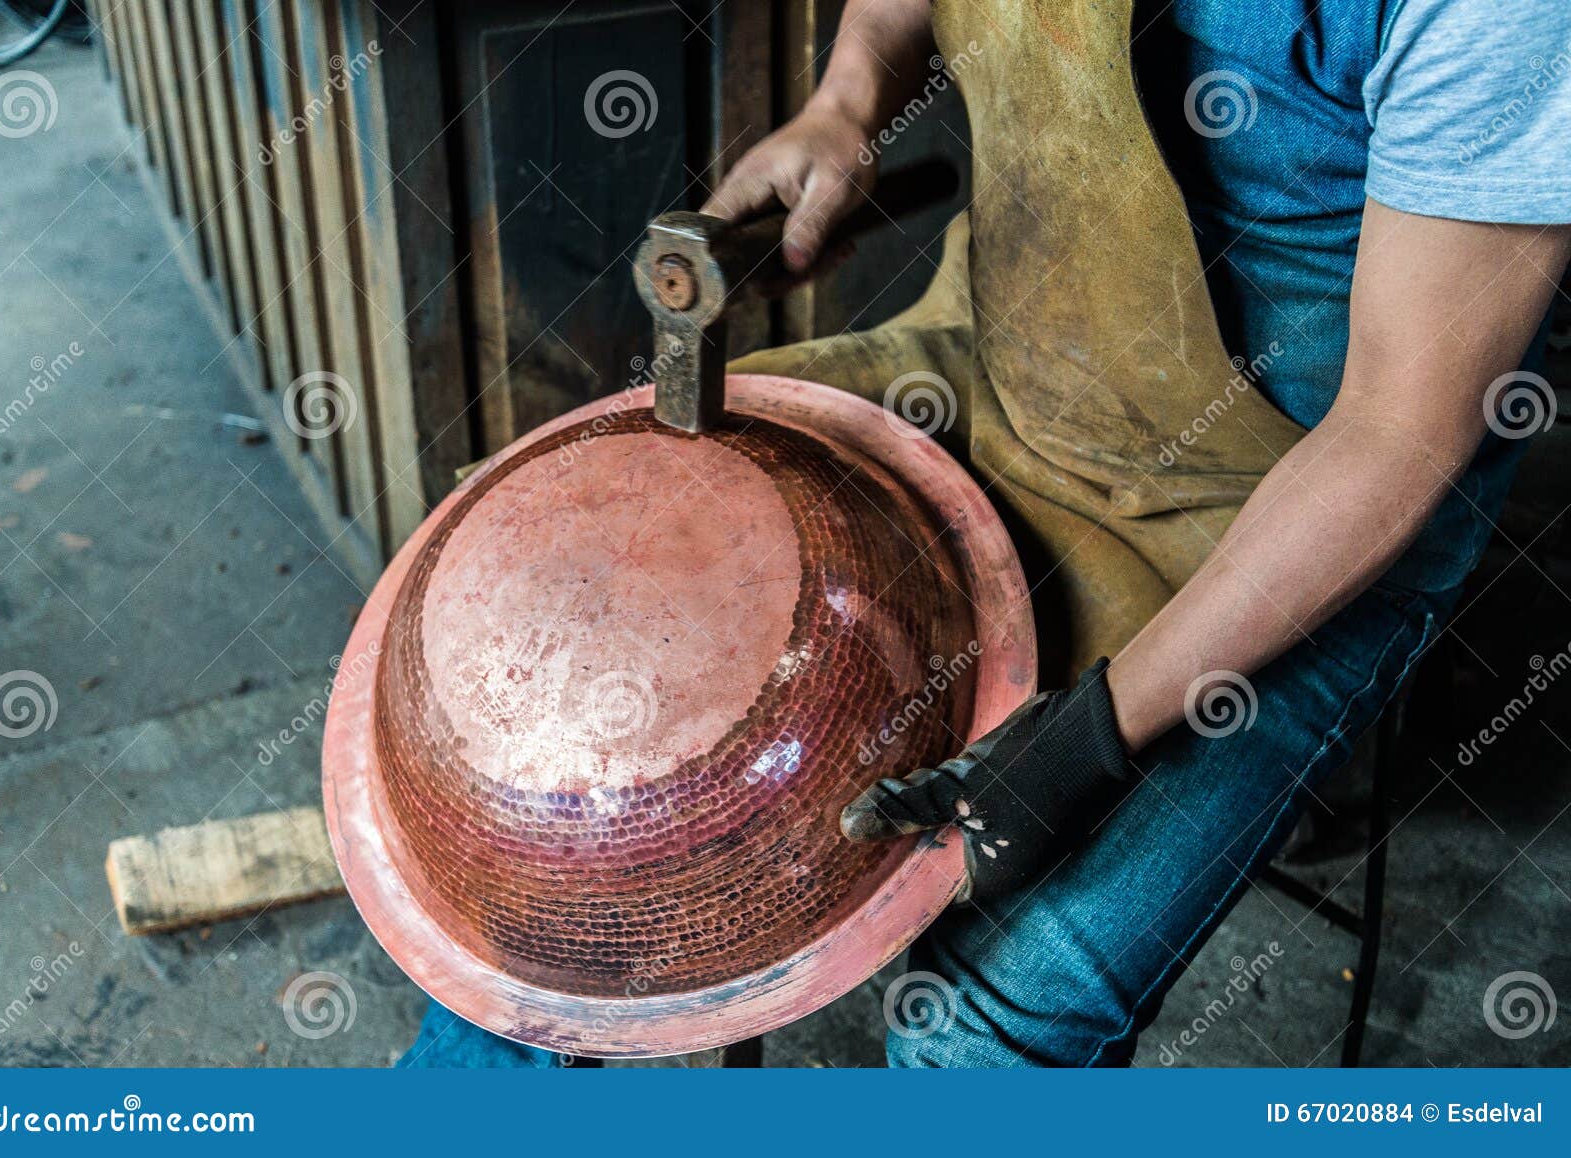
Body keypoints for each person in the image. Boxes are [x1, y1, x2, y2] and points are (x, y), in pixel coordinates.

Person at [403, 0, 1571, 1067]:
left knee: (985, 1035)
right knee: (535, 855)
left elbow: (1395, 438)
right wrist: (849, 97)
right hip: (1005, 348)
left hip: (1291, 479)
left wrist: (1090, 741)